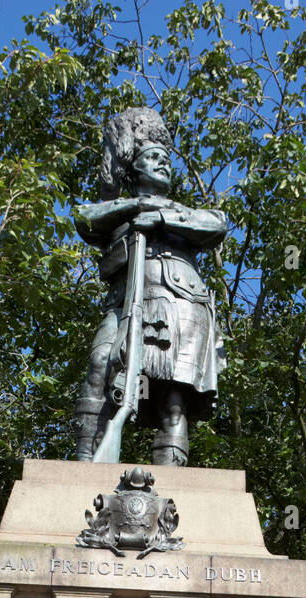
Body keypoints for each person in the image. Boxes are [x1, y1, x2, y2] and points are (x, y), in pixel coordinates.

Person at [75, 107, 226, 467]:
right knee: (99, 363)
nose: (163, 164)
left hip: (182, 305)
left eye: (166, 158)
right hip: (125, 305)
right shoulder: (117, 209)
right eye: (153, 157)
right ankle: (84, 469)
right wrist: (136, 207)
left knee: (172, 401)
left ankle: (171, 486)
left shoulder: (184, 213)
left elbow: (217, 225)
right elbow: (85, 217)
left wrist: (159, 215)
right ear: (133, 168)